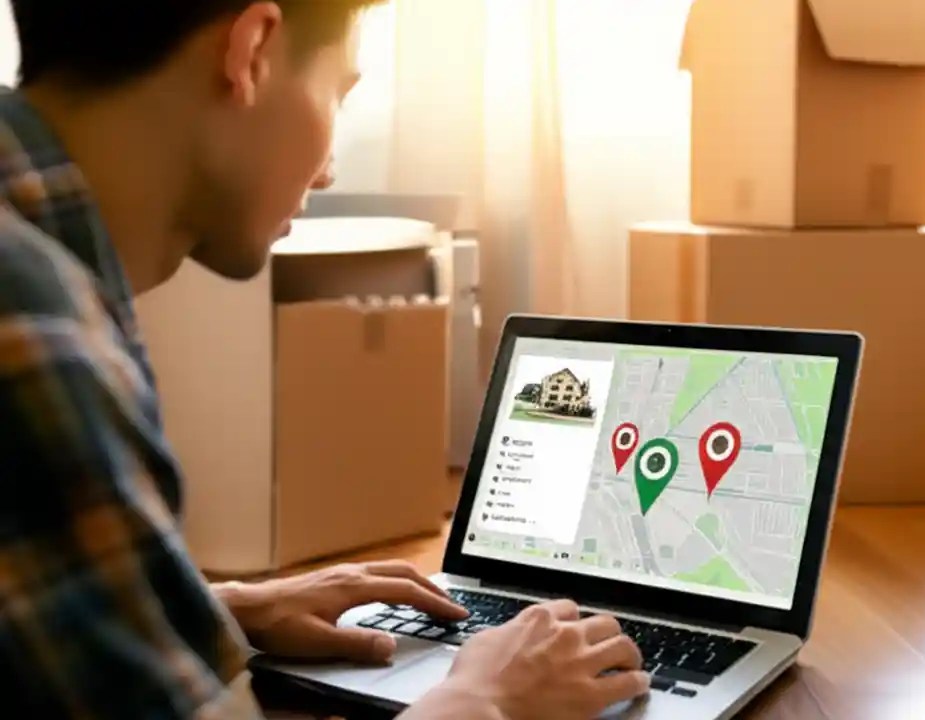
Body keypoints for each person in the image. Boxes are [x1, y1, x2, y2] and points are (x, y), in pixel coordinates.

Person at [0, 1, 649, 718]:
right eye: (338, 92)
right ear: (252, 53)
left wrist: (216, 608)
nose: (328, 172)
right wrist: (487, 697)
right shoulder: (33, 321)